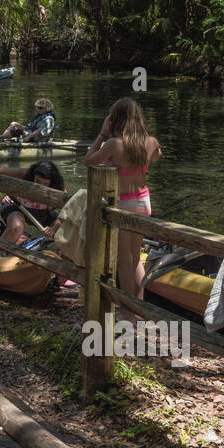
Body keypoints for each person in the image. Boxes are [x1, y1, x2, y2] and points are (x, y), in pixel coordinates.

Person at [84, 98, 162, 304]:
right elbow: (157, 156)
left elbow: (88, 160)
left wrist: (101, 134)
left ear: (114, 120)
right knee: (135, 257)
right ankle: (139, 308)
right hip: (144, 202)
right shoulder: (151, 141)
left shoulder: (114, 144)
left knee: (123, 261)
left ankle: (129, 311)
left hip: (124, 203)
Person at [0, 160, 65, 244]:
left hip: (41, 212)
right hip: (15, 205)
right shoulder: (25, 174)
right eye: (37, 181)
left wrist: (53, 228)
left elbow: (66, 211)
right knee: (17, 227)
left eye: (45, 183)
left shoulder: (58, 187)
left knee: (65, 228)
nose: (40, 186)